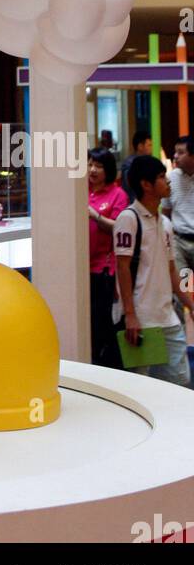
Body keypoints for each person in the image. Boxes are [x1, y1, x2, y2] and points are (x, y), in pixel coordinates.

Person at [114, 156, 194, 387]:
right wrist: (130, 314)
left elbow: (171, 271)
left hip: (168, 316)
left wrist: (190, 304)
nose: (167, 181)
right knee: (143, 385)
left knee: (180, 381)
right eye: (160, 177)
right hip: (142, 319)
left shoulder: (166, 224)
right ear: (145, 184)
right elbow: (123, 267)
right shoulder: (128, 219)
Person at [87, 149, 127, 368]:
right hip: (80, 267)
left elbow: (121, 227)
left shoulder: (118, 194)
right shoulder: (81, 190)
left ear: (108, 170)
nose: (92, 170)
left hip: (103, 268)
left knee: (102, 321)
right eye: (90, 164)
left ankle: (107, 366)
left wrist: (96, 216)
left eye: (99, 166)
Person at [165, 134, 194, 290]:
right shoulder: (170, 178)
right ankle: (186, 315)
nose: (175, 156)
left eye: (181, 152)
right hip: (180, 242)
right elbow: (166, 211)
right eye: (175, 152)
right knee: (185, 288)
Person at [120, 129, 152, 195]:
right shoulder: (129, 163)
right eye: (149, 145)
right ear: (140, 146)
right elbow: (130, 185)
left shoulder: (148, 160)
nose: (152, 148)